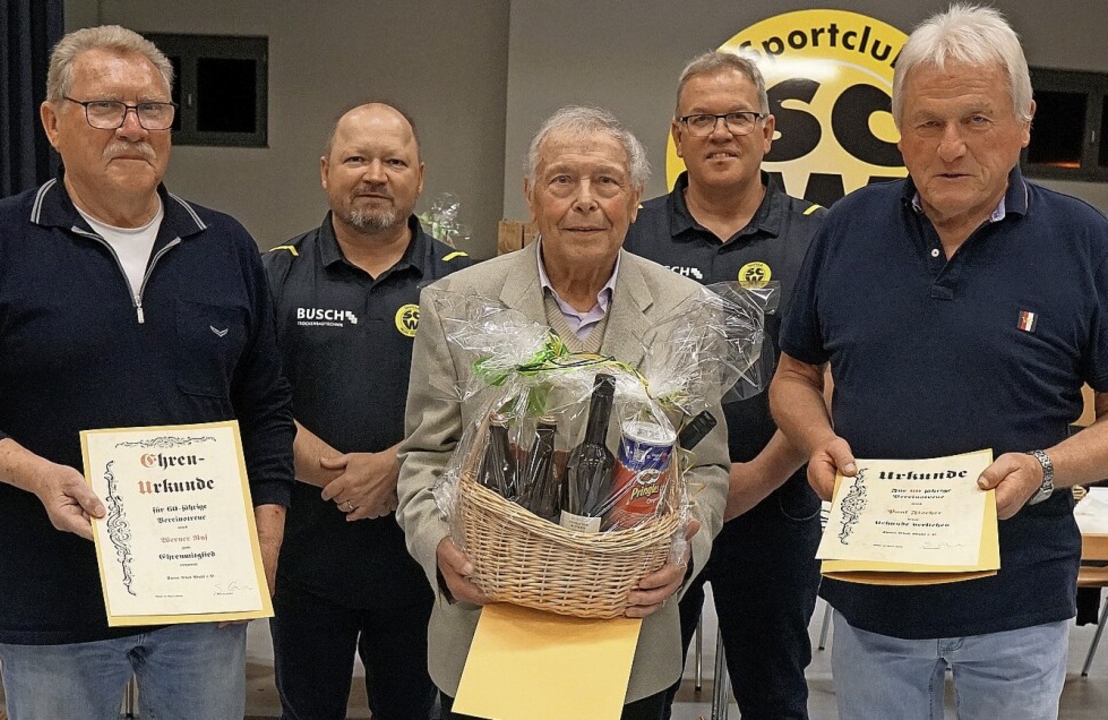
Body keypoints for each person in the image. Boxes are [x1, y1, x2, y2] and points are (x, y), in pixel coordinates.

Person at [769, 5, 1108, 719]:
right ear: (898, 130)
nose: (949, 146)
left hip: (1017, 602)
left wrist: (1045, 470)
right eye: (926, 122)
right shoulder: (844, 231)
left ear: (1023, 122)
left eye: (976, 120)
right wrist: (815, 439)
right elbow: (793, 377)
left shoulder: (1084, 242)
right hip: (872, 605)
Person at [0, 25, 294, 719]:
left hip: (200, 598)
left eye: (152, 109)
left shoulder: (223, 244)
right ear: (52, 121)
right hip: (52, 601)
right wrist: (37, 475)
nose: (132, 128)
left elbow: (265, 407)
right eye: (104, 107)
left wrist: (266, 533)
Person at [395, 105, 730, 720]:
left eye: (605, 181)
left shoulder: (689, 312)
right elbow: (423, 459)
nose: (585, 201)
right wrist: (439, 546)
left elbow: (706, 471)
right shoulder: (456, 304)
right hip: (489, 623)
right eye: (561, 181)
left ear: (635, 198)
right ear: (531, 195)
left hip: (628, 635)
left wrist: (687, 549)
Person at [625, 50, 824, 720]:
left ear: (768, 130)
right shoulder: (632, 232)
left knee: (773, 695)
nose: (719, 132)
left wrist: (757, 476)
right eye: (700, 118)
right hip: (648, 510)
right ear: (676, 135)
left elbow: (830, 373)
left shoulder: (817, 237)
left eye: (737, 116)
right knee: (635, 691)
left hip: (774, 503)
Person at [263, 102, 471, 720]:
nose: (375, 174)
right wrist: (340, 476)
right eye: (357, 159)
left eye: (394, 161)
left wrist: (395, 470)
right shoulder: (275, 273)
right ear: (326, 171)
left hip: (421, 561)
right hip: (305, 560)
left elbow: (487, 408)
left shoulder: (464, 284)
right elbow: (251, 398)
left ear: (420, 176)